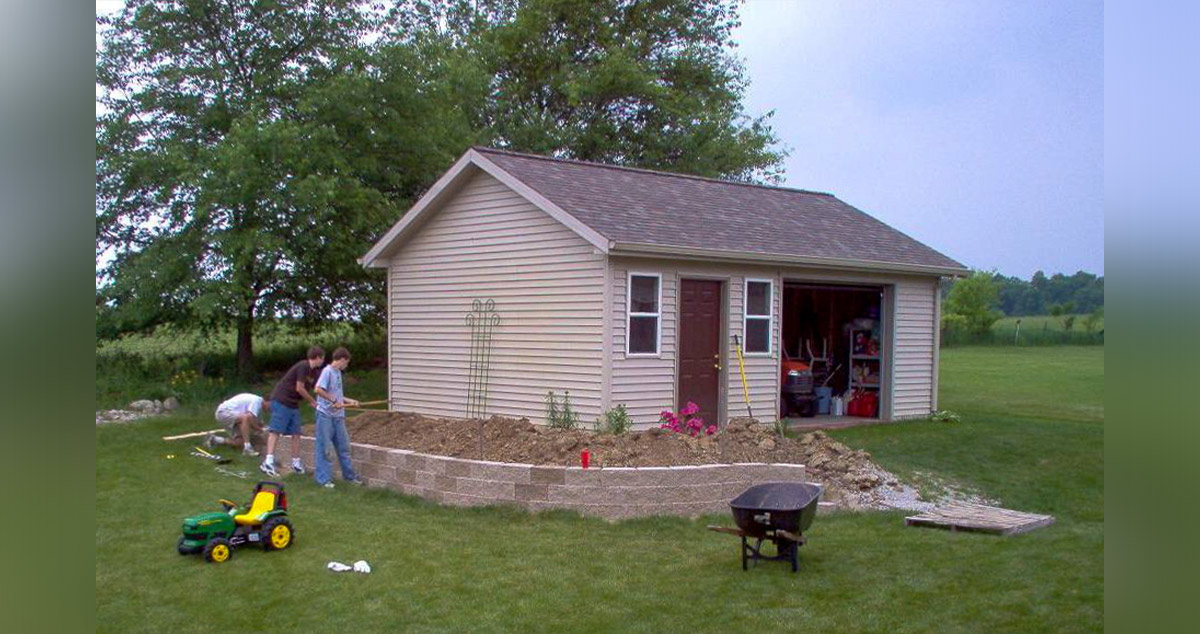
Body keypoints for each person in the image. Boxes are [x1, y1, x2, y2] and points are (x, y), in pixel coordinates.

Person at [260, 346, 324, 477]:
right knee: (275, 431)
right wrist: (312, 401)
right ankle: (268, 462)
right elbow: (299, 388)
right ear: (317, 357)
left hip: (293, 404)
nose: (323, 361)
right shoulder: (303, 366)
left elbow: (318, 389)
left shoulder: (314, 372)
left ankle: (295, 463)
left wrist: (333, 401)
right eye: (322, 358)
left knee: (296, 433)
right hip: (282, 400)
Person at [313, 346, 364, 488]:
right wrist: (333, 400)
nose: (346, 366)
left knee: (344, 447)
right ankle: (324, 480)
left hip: (338, 416)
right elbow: (318, 389)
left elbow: (337, 394)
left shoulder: (338, 373)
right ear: (341, 360)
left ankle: (349, 477)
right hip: (325, 415)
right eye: (346, 363)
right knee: (325, 448)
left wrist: (349, 401)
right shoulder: (327, 371)